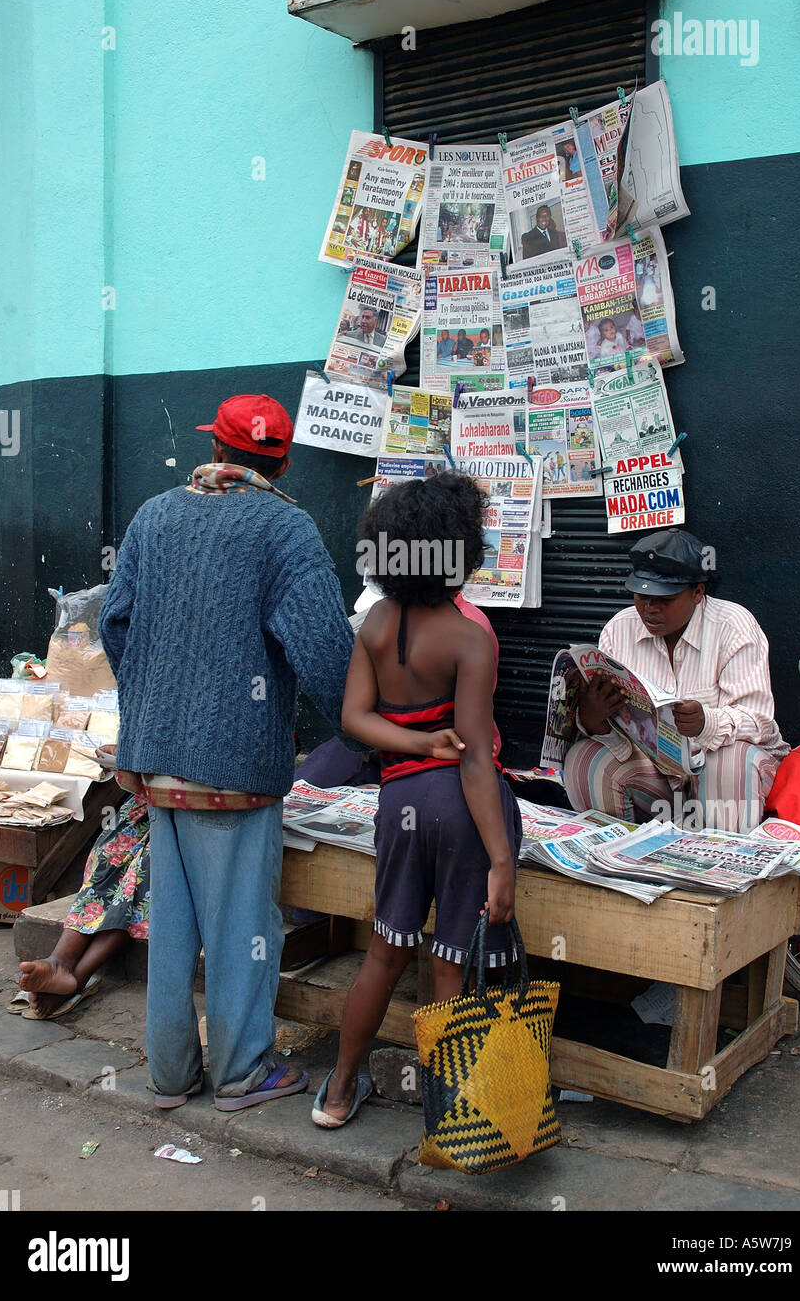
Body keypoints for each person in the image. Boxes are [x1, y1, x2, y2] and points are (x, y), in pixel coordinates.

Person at [99, 393, 359, 1112]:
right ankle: (243, 1071)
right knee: (243, 925)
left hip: (156, 764)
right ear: (281, 460)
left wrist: (154, 706)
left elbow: (114, 625)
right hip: (237, 768)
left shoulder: (154, 515)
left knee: (174, 926)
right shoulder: (288, 528)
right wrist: (357, 733)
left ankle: (170, 1074)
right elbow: (326, 655)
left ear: (216, 450)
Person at [311, 474, 521, 1127]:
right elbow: (479, 761)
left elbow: (353, 719)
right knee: (452, 964)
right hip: (462, 811)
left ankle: (340, 1090)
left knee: (384, 951)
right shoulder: (470, 640)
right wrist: (501, 862)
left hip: (399, 804)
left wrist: (416, 744)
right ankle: (451, 1117)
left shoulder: (377, 622)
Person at [564, 530, 790, 833]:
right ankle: (617, 863)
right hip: (660, 778)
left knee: (729, 761)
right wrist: (594, 720)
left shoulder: (733, 627)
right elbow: (617, 733)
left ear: (697, 593)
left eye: (664, 600)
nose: (649, 609)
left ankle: (718, 870)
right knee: (584, 759)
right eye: (642, 597)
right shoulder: (619, 629)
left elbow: (759, 721)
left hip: (729, 780)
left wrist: (705, 722)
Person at [15, 792, 150, 1020]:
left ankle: (78, 978)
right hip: (151, 805)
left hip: (199, 811)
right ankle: (59, 962)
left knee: (143, 876)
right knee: (108, 854)